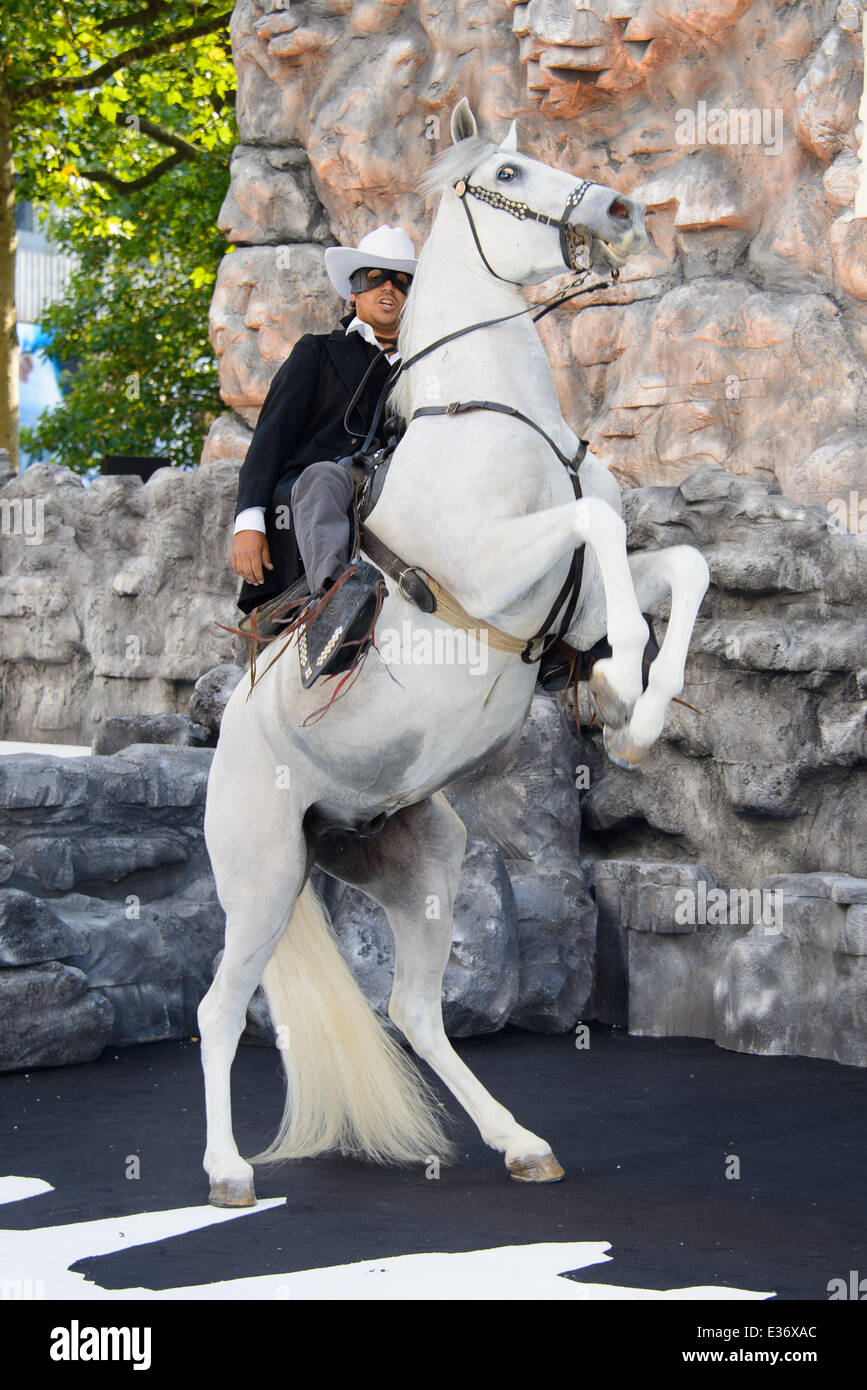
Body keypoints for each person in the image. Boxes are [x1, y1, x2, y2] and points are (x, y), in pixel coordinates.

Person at [230, 225, 416, 684]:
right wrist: (249, 522)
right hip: (319, 488)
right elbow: (269, 438)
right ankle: (336, 604)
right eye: (375, 277)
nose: (389, 288)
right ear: (354, 292)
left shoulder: (424, 365)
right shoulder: (317, 352)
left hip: (400, 484)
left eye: (401, 282)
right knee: (322, 477)